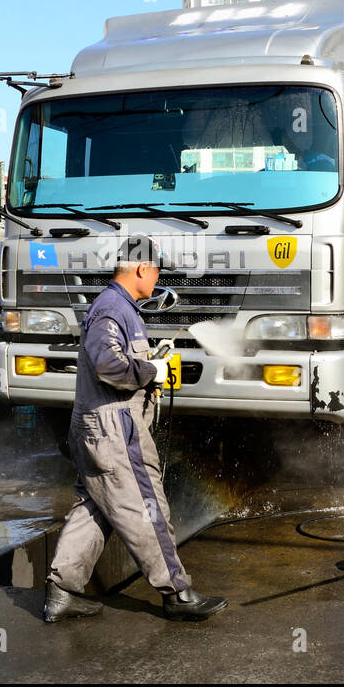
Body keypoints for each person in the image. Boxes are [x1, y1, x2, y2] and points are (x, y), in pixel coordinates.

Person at [44, 235, 228, 623]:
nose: (158, 278)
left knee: (95, 509)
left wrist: (149, 361)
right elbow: (109, 366)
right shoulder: (113, 309)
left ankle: (61, 592)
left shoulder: (119, 308)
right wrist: (150, 370)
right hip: (115, 429)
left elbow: (114, 358)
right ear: (142, 268)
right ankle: (177, 593)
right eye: (157, 270)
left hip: (98, 426)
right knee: (147, 506)